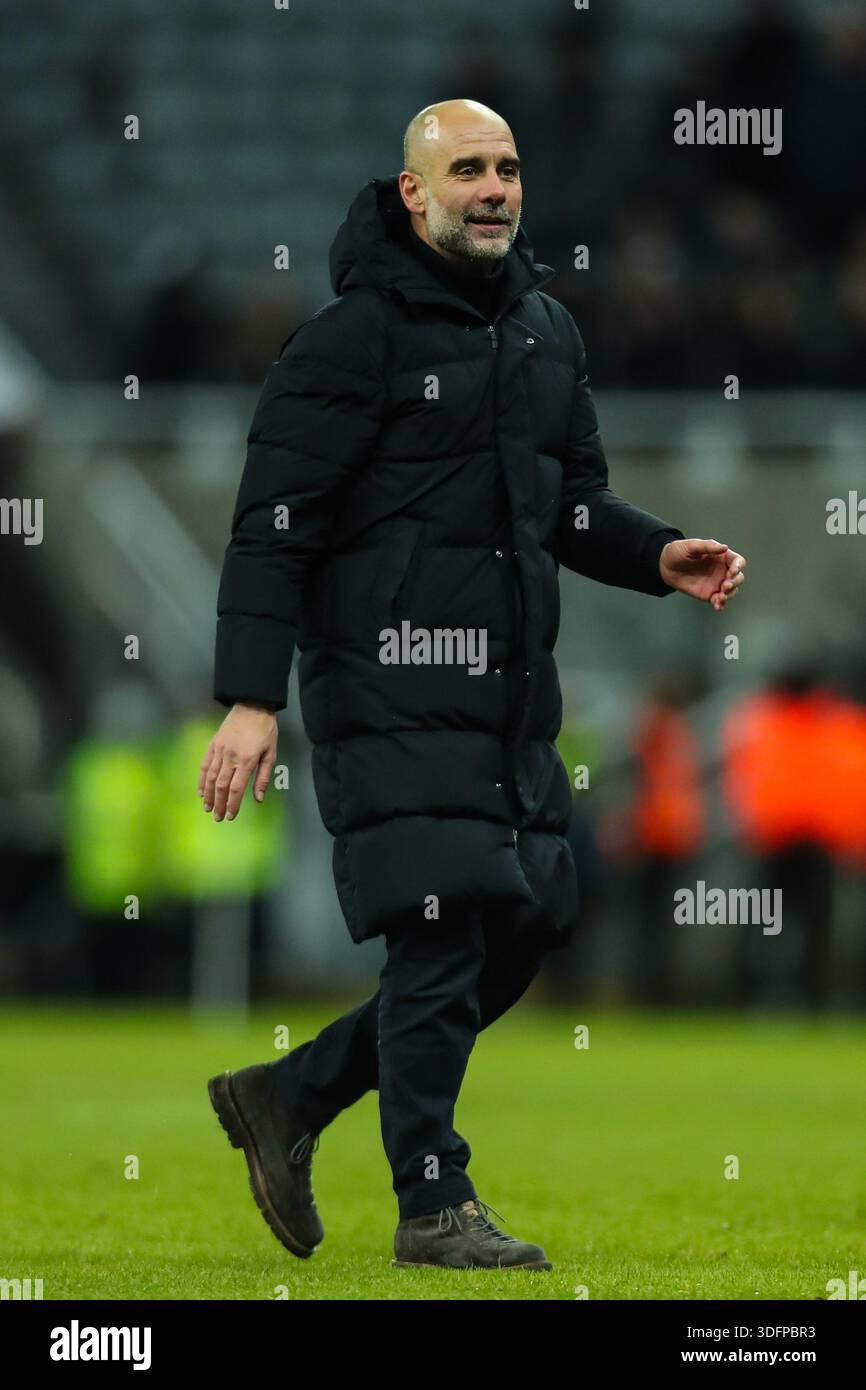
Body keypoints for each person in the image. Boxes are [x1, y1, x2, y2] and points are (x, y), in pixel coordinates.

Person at [200, 99, 747, 1272]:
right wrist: (250, 698)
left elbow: (571, 503)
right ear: (413, 192)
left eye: (505, 167)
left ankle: (288, 1093)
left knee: (531, 913)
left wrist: (653, 552)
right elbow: (271, 533)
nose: (492, 186)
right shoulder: (348, 342)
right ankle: (432, 1200)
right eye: (465, 170)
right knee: (444, 925)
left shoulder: (545, 332)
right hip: (385, 682)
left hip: (505, 693)